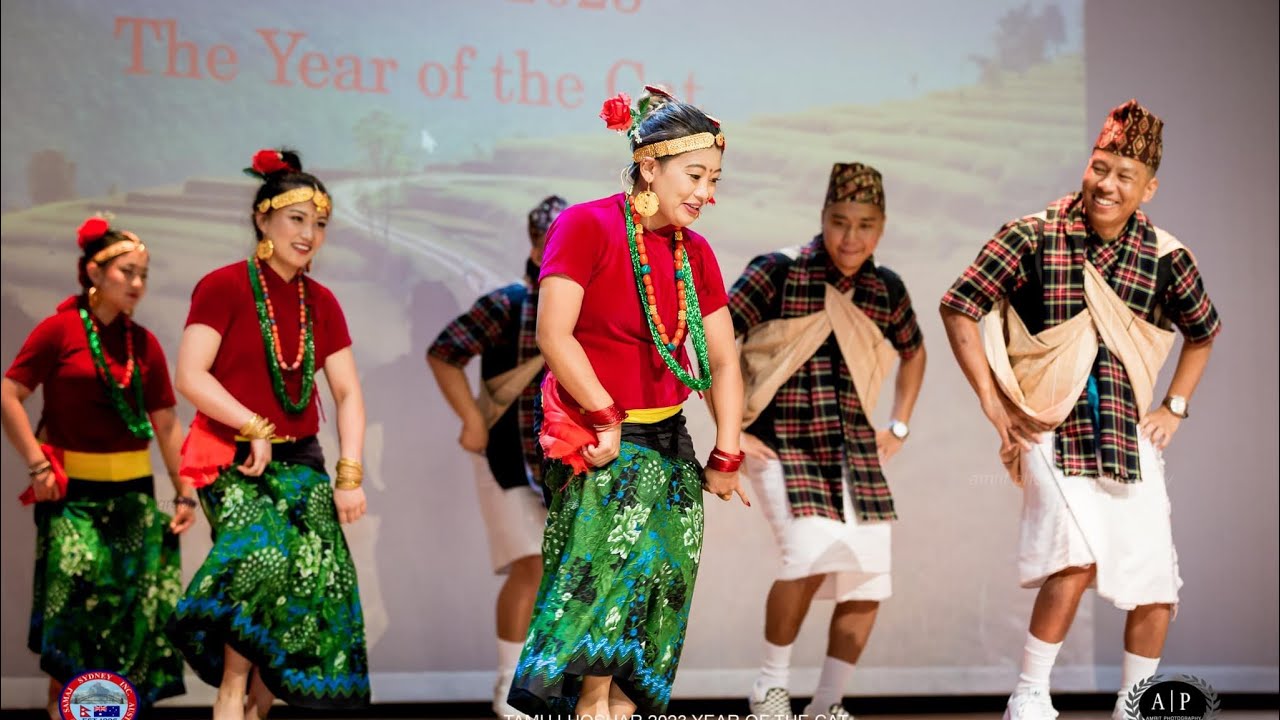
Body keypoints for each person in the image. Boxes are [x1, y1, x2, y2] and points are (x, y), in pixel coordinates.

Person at [938, 100, 1221, 720]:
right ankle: (1031, 693)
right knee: (1073, 556)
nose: (1107, 185)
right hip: (1048, 428)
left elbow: (1203, 331)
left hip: (1126, 435)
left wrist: (1174, 406)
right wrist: (993, 404)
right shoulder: (1033, 234)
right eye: (1100, 167)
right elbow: (960, 305)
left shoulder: (1164, 255)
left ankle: (1134, 703)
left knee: (1152, 582)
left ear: (1148, 188)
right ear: (1087, 166)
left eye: (1125, 175)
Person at [505, 86, 749, 719]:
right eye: (694, 175)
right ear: (649, 166)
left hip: (670, 446)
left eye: (713, 179)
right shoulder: (587, 224)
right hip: (599, 443)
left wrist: (727, 450)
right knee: (599, 602)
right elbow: (554, 336)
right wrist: (605, 414)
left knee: (653, 601)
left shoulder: (695, 252)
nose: (706, 193)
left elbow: (723, 359)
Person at [167, 149, 371, 718]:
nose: (309, 235)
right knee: (262, 561)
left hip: (301, 460)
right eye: (297, 220)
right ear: (263, 219)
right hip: (233, 459)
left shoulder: (321, 302)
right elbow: (190, 374)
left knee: (309, 581)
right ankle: (231, 692)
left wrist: (349, 472)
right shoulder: (224, 286)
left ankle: (254, 702)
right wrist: (251, 423)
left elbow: (348, 393)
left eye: (320, 223)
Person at [730, 163, 926, 720]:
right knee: (806, 556)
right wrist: (733, 431)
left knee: (866, 578)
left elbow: (915, 352)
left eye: (864, 225)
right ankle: (769, 691)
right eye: (840, 222)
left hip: (858, 451)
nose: (850, 237)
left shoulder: (885, 286)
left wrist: (901, 423)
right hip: (782, 445)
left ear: (881, 227)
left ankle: (826, 705)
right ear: (822, 218)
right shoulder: (779, 270)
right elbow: (716, 337)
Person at [0, 215, 195, 715]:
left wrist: (185, 491)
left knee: (128, 617)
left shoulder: (144, 343)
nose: (137, 284)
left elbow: (167, 425)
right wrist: (37, 464)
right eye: (127, 272)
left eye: (144, 275)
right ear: (93, 272)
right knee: (75, 603)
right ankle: (60, 706)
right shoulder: (58, 331)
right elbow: (8, 393)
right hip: (72, 499)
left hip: (132, 498)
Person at [427, 194, 568, 719]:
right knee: (529, 567)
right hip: (506, 455)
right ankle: (510, 685)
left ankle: (544, 681)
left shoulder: (584, 304)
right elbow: (444, 352)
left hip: (565, 460)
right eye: (546, 243)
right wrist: (470, 419)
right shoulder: (507, 303)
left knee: (557, 570)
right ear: (533, 248)